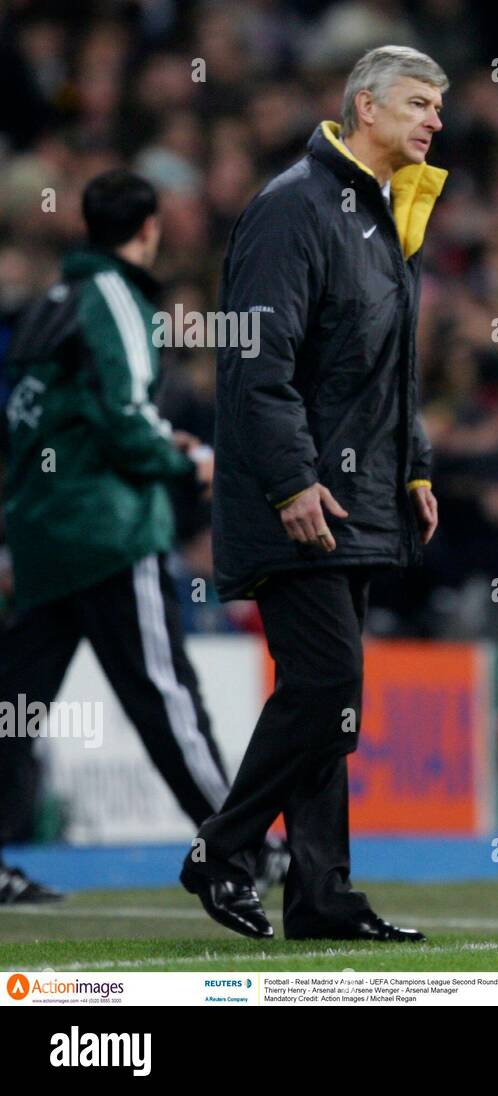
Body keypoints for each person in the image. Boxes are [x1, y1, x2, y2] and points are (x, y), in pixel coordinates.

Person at [180, 46, 444, 941]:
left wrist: (415, 464)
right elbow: (256, 362)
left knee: (329, 700)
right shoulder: (294, 206)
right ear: (365, 107)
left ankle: (323, 897)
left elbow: (392, 365)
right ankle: (224, 848)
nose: (434, 121)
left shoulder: (381, 214)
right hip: (296, 495)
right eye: (418, 103)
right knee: (329, 680)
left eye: (439, 107)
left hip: (361, 494)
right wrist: (293, 478)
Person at [0, 169, 286, 904]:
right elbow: (126, 418)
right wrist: (184, 458)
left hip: (40, 535)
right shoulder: (116, 299)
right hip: (109, 533)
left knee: (14, 704)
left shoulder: (45, 306)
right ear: (148, 229)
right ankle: (239, 843)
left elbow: (36, 427)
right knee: (165, 698)